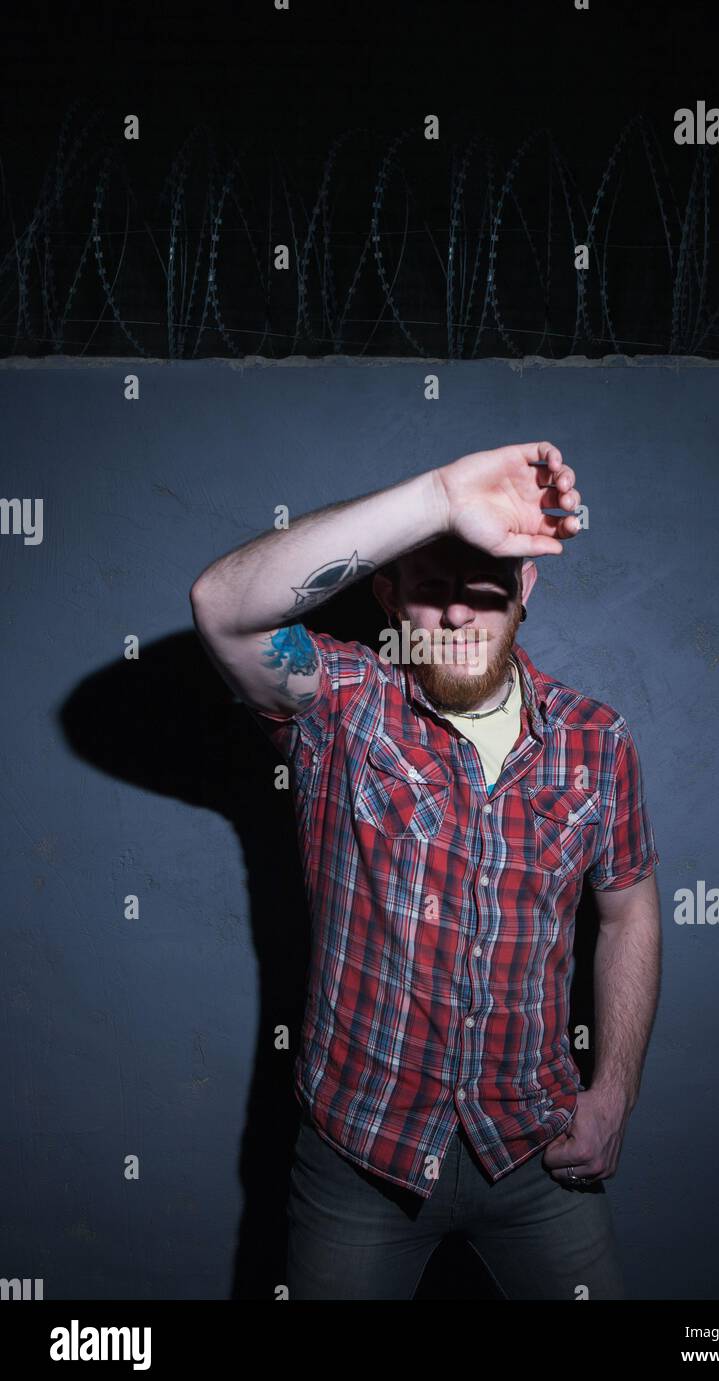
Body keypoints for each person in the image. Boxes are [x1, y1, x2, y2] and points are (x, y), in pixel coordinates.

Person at [189, 440, 661, 1299]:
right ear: (389, 597)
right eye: (429, 587)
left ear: (525, 590)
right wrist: (442, 498)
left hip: (537, 1152)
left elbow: (629, 912)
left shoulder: (599, 742)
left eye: (483, 585)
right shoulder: (343, 707)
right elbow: (223, 607)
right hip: (359, 1154)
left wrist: (615, 1091)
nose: (455, 616)